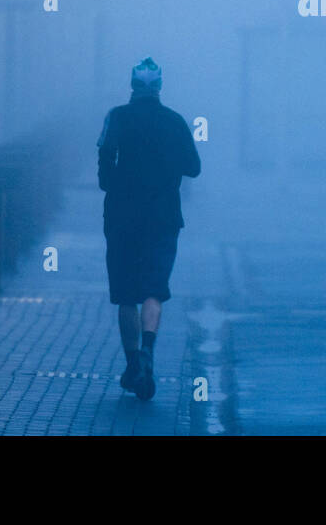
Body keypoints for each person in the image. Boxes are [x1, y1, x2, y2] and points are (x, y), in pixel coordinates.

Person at [97, 57, 201, 399]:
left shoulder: (117, 117)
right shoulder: (175, 122)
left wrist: (114, 183)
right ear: (159, 87)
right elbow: (193, 167)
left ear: (132, 85)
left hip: (122, 218)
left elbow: (104, 161)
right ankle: (148, 354)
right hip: (163, 219)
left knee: (126, 295)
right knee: (154, 290)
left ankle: (131, 364)